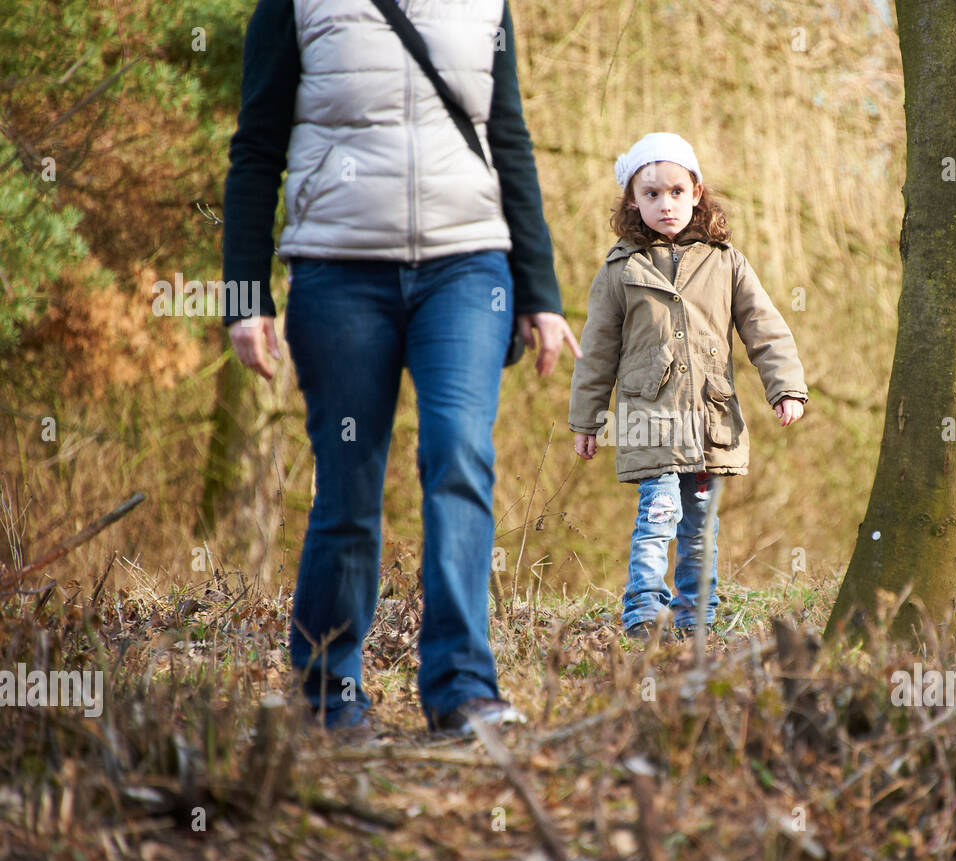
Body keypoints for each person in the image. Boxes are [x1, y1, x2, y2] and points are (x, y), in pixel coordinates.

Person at [221, 0, 580, 738]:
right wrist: (242, 294)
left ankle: (463, 689)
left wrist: (541, 293)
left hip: (467, 269)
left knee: (459, 451)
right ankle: (328, 695)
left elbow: (508, 138)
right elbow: (256, 146)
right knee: (348, 479)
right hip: (339, 270)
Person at [568, 132, 807, 640]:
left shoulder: (726, 262)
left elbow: (764, 328)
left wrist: (785, 387)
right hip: (648, 421)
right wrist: (587, 420)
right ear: (633, 199)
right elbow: (598, 351)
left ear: (696, 192)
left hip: (708, 424)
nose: (665, 203)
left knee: (700, 526)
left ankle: (695, 618)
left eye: (676, 191)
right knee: (656, 519)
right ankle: (642, 617)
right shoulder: (620, 269)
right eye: (651, 194)